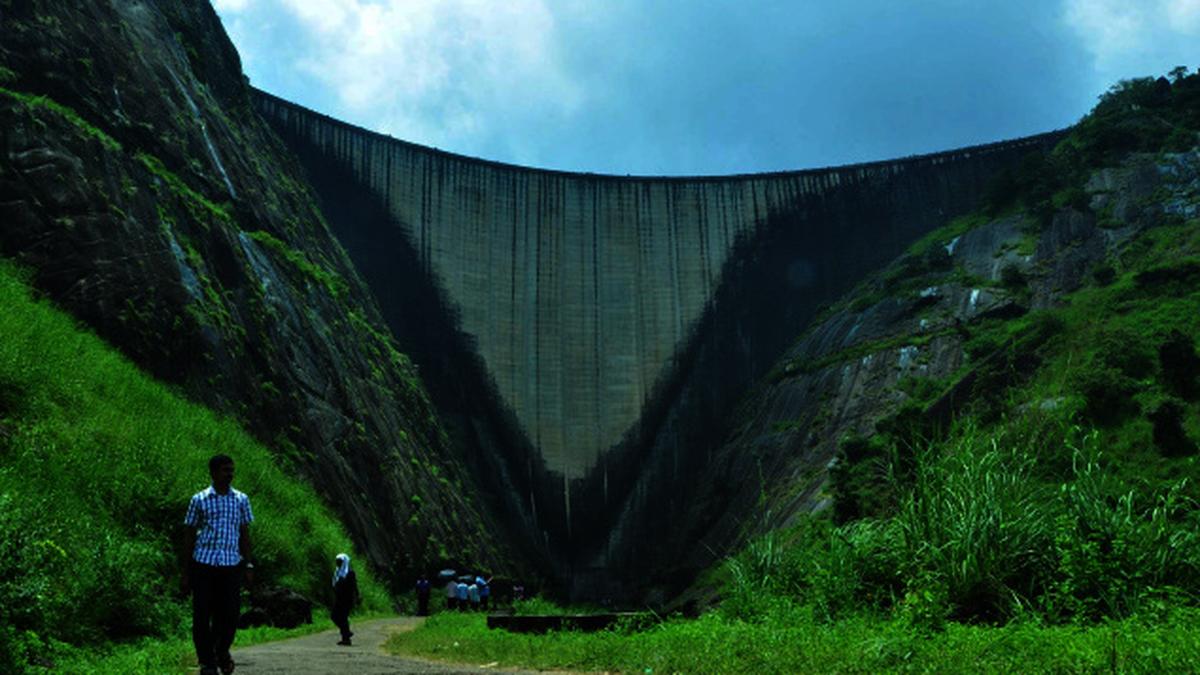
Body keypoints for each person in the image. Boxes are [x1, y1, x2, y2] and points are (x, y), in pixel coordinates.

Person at [183, 454, 254, 675]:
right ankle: (207, 662)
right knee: (202, 615)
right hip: (203, 564)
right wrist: (186, 571)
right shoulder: (199, 499)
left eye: (231, 470)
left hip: (231, 565)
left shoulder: (241, 500)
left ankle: (221, 650)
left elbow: (244, 534)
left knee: (230, 615)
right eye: (225, 470)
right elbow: (189, 535)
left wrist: (249, 564)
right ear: (213, 473)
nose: (230, 474)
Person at [331, 553, 358, 646]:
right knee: (335, 617)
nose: (337, 563)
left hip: (346, 599)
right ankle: (346, 633)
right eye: (337, 561)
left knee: (342, 617)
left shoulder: (350, 573)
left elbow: (354, 587)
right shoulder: (337, 572)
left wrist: (356, 598)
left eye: (339, 561)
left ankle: (346, 638)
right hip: (338, 598)